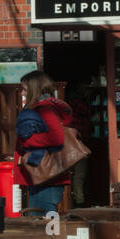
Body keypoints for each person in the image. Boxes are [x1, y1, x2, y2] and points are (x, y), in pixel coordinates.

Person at [15, 70, 73, 216]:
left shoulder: (44, 109)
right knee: (44, 224)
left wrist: (28, 142)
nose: (22, 93)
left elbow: (56, 138)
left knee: (44, 226)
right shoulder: (44, 108)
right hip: (45, 176)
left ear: (34, 90)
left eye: (25, 89)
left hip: (46, 178)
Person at [65, 78, 93, 207]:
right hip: (79, 144)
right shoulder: (77, 103)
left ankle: (73, 200)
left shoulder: (70, 104)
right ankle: (79, 201)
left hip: (72, 143)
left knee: (73, 175)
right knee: (79, 175)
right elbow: (88, 111)